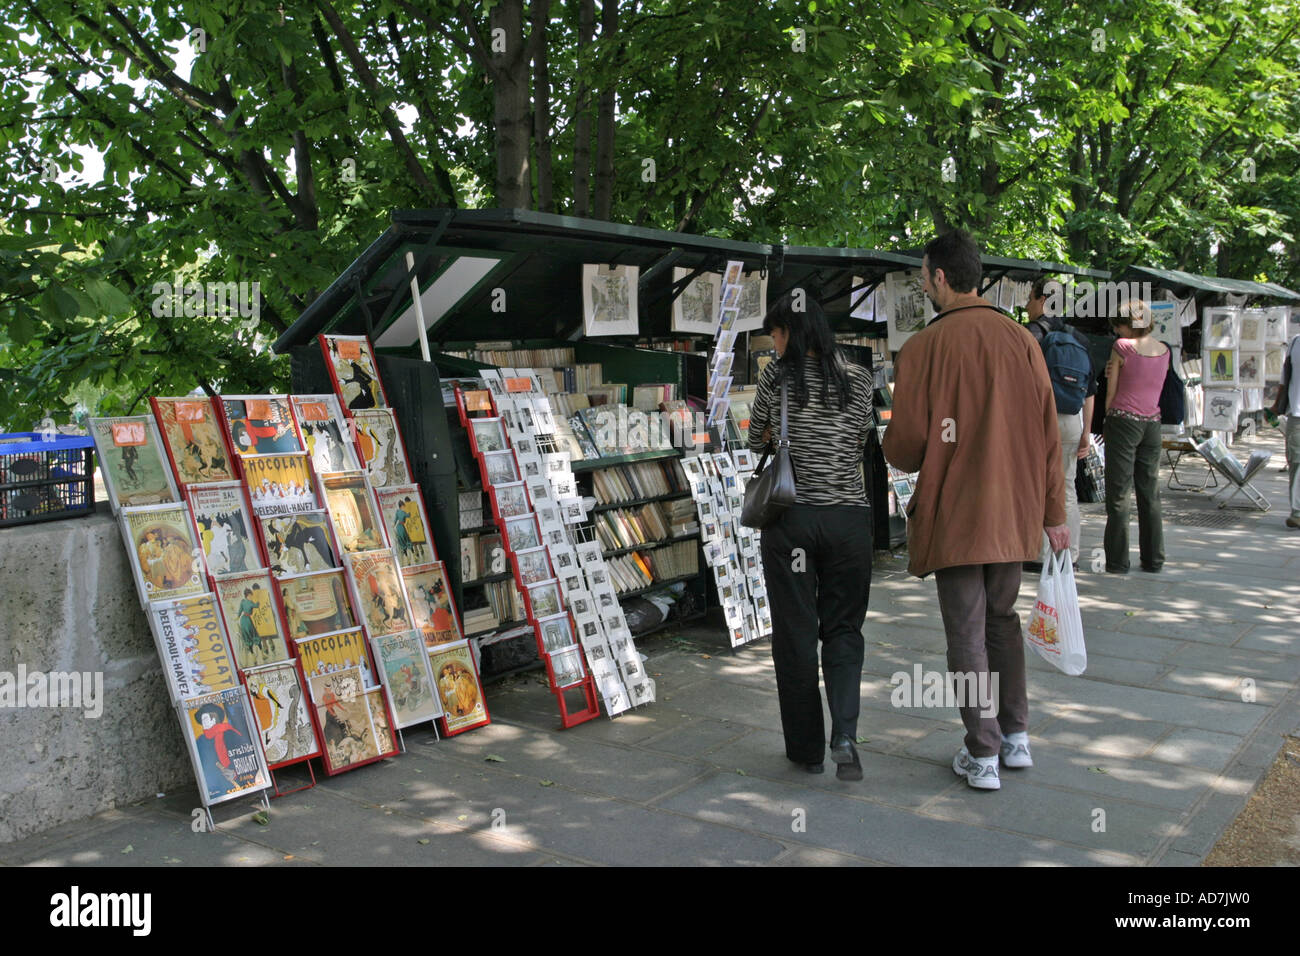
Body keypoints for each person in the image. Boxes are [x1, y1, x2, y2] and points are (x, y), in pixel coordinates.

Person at [882, 230, 1067, 792]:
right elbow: (1048, 436)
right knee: (1002, 621)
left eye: (923, 276)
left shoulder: (923, 348)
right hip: (1013, 508)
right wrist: (1054, 514)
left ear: (940, 278)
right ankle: (1016, 737)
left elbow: (907, 445)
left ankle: (981, 751)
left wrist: (891, 445)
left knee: (966, 631)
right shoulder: (1022, 341)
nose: (923, 285)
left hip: (957, 510)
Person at [746, 289, 875, 781]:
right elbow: (861, 438)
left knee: (797, 634)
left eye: (775, 334)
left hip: (792, 520)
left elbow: (755, 436)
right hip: (848, 522)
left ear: (789, 332)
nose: (773, 343)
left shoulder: (776, 378)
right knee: (843, 630)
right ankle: (844, 732)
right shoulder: (859, 378)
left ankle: (806, 750)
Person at [1025, 276, 1097, 571]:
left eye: (1029, 297)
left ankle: (1041, 555)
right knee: (1067, 486)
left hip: (1039, 420)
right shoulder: (1077, 338)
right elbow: (1090, 391)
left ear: (1042, 300)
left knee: (1037, 485)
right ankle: (1071, 555)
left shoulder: (1031, 334)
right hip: (1072, 421)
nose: (1026, 305)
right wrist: (1086, 433)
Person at [1102, 299, 1168, 573]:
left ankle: (1118, 561)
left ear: (1128, 324)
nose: (1117, 332)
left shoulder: (1122, 347)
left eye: (1119, 326)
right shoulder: (1165, 350)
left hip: (1123, 420)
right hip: (1152, 423)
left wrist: (1108, 417)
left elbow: (1112, 391)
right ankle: (1154, 559)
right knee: (1149, 492)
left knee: (1119, 493)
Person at [1267, 329, 1300, 529]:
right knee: (1296, 462)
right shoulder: (1295, 342)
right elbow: (1284, 379)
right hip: (1296, 414)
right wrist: (1277, 405)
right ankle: (1297, 512)